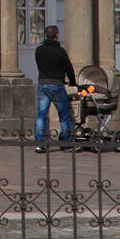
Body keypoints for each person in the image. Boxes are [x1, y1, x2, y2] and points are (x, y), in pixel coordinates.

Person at [34, 24, 76, 152]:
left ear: (46, 35)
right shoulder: (60, 51)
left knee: (41, 115)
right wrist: (72, 82)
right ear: (57, 35)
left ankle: (40, 143)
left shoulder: (39, 50)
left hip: (42, 84)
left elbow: (40, 65)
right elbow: (69, 68)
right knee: (63, 115)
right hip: (56, 85)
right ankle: (65, 143)